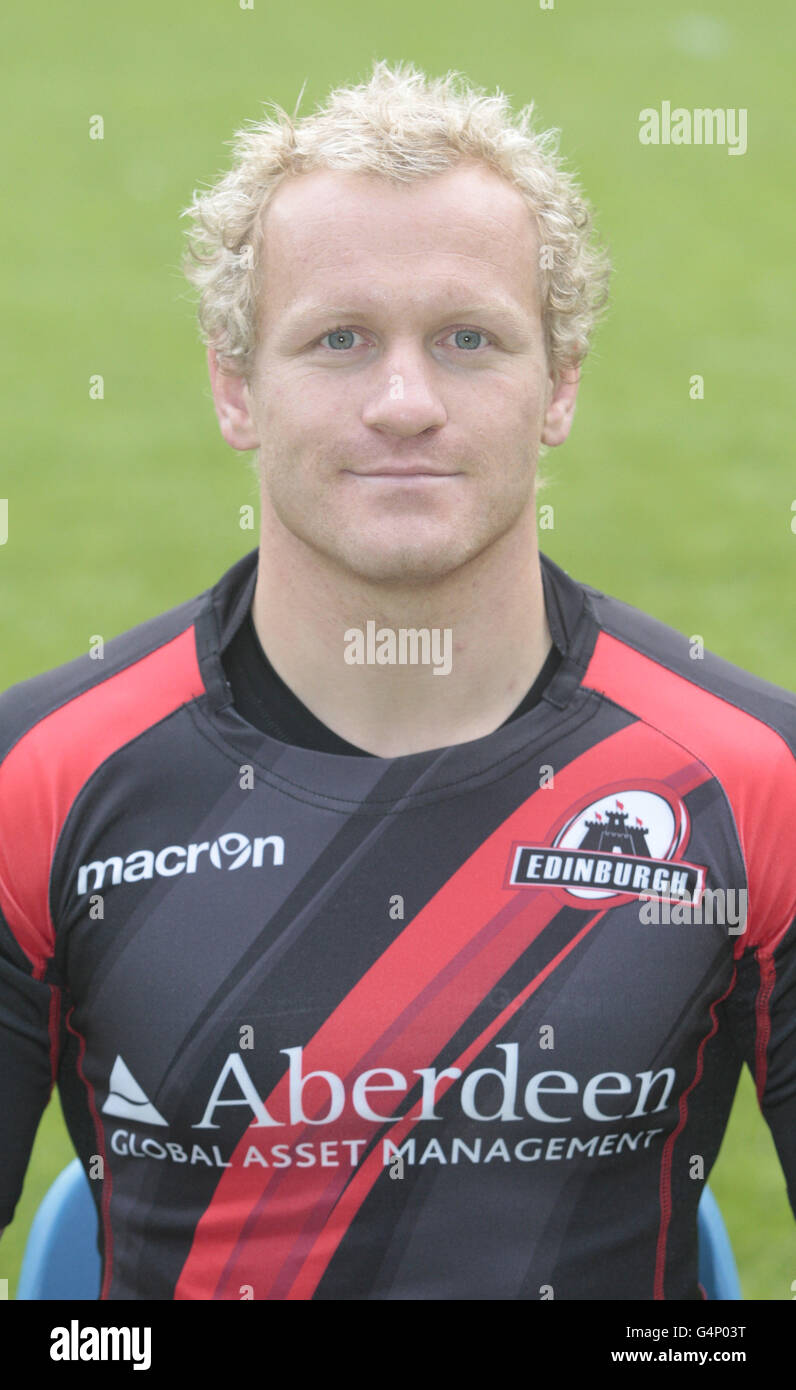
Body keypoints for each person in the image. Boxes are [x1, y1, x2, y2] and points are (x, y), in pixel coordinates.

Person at [0, 59, 793, 1301]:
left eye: (468, 339)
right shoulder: (36, 781)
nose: (405, 402)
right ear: (233, 386)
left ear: (561, 383)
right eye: (339, 339)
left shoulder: (752, 782)